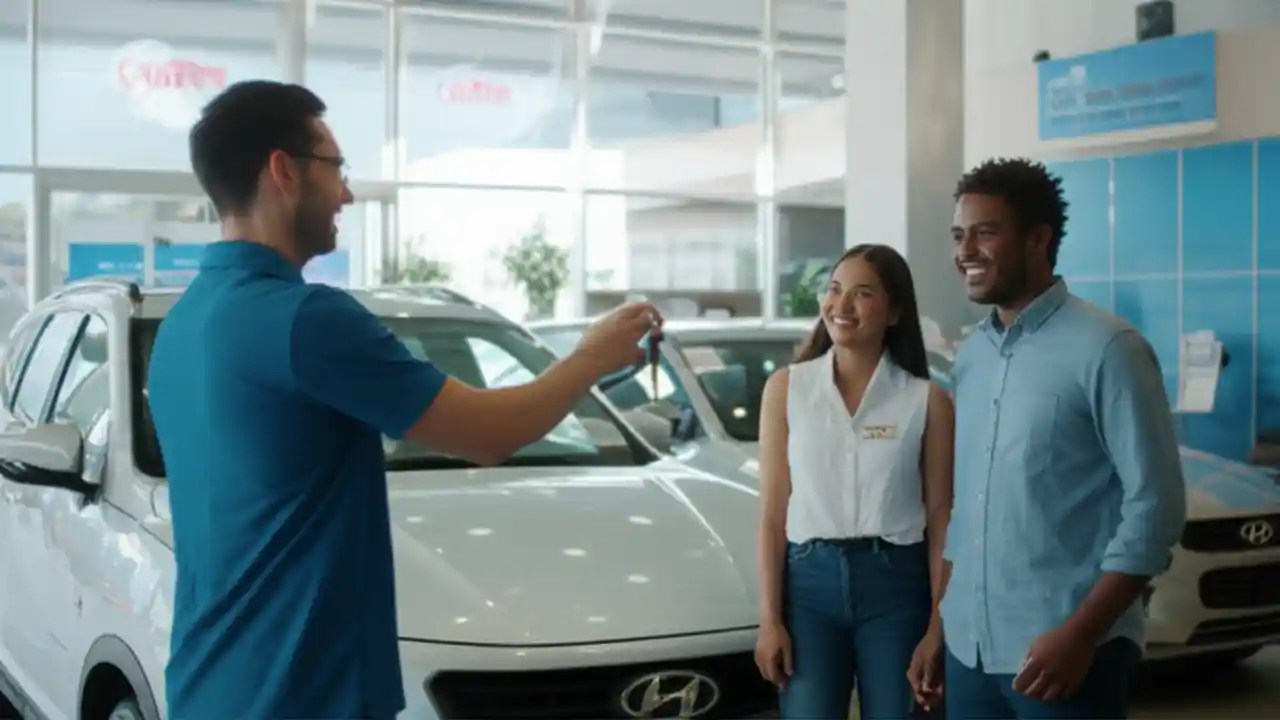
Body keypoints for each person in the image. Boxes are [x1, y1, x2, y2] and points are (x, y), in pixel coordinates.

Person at [145, 80, 662, 719]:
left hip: (211, 683)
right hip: (301, 695)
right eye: (336, 168)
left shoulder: (182, 323)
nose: (348, 193)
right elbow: (486, 434)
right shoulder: (305, 320)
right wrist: (594, 357)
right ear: (282, 170)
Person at [941, 157, 1187, 719]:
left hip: (1066, 650)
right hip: (969, 649)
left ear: (1038, 239)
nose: (965, 251)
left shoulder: (1108, 348)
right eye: (959, 234)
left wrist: (1081, 634)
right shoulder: (972, 356)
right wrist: (940, 628)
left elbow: (1156, 505)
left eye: (985, 231)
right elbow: (966, 510)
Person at [754, 244, 955, 719]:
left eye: (862, 294)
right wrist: (769, 620)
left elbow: (942, 520)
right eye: (835, 290)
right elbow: (771, 515)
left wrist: (937, 626)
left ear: (895, 312)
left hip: (897, 589)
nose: (841, 306)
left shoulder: (927, 401)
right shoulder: (787, 389)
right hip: (808, 590)